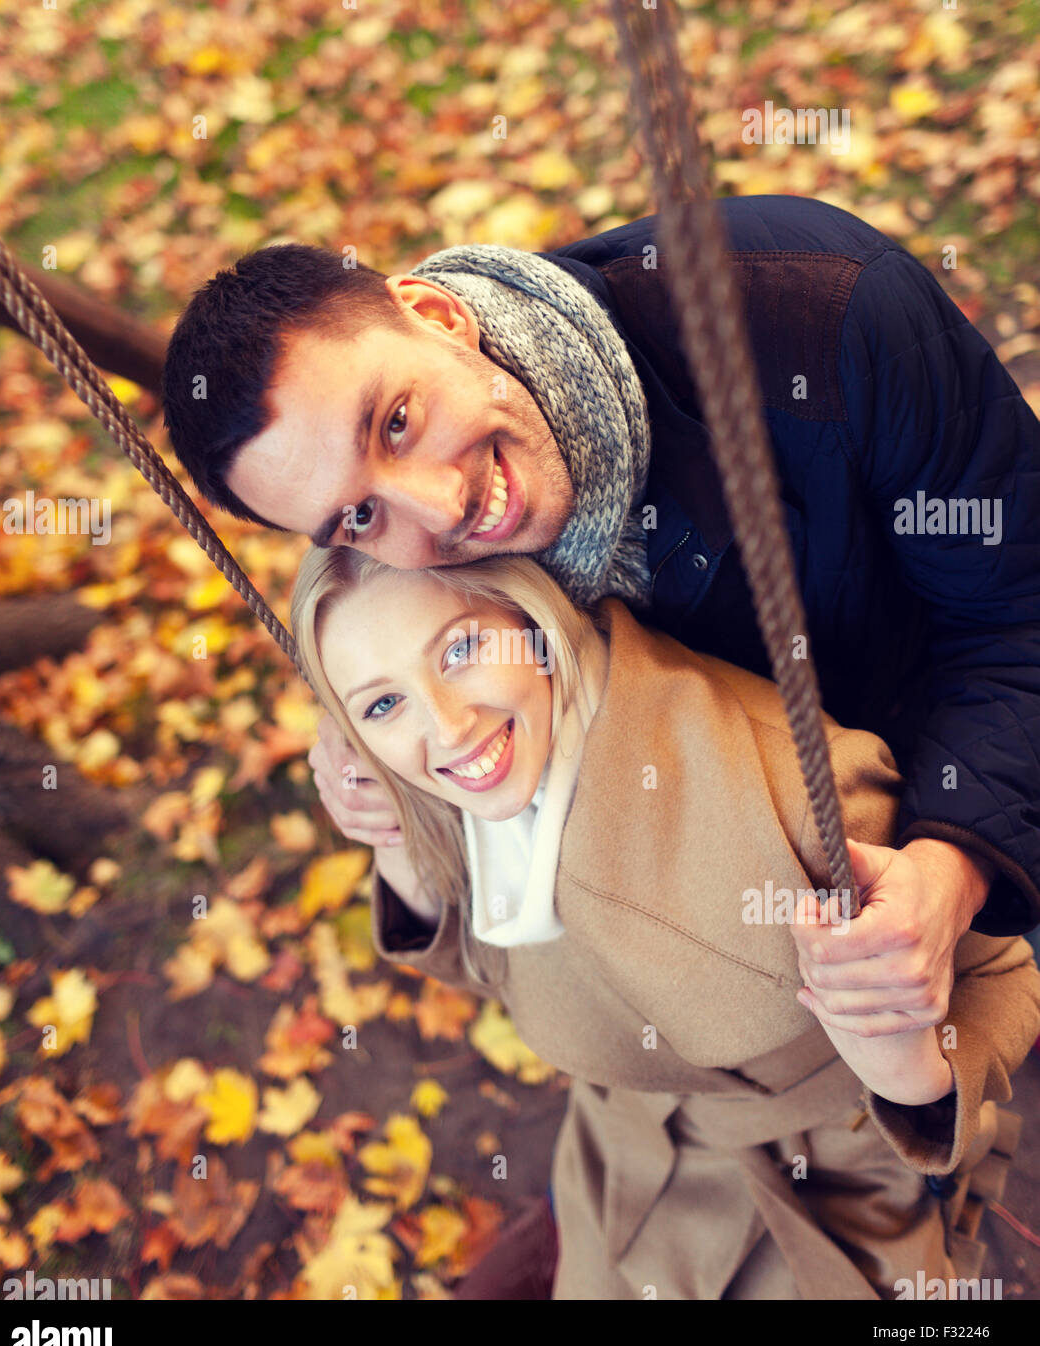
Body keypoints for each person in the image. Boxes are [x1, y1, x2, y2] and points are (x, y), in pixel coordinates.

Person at [160, 195, 1040, 1044]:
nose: (440, 508)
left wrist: (954, 867)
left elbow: (1020, 616)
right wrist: (360, 733)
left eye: (396, 422)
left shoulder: (824, 309)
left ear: (434, 314)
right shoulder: (417, 580)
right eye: (355, 516)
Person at [287, 543, 1040, 1300]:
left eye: (461, 649)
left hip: (834, 1187)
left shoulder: (780, 785)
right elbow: (497, 971)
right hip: (616, 1158)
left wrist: (903, 1069)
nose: (447, 727)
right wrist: (398, 841)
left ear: (529, 616)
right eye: (382, 704)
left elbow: (998, 971)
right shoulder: (480, 793)